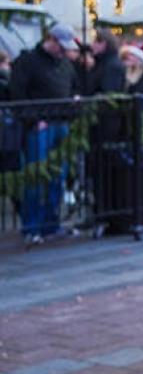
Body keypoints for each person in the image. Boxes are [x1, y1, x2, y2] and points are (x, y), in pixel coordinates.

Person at [9, 23, 81, 242]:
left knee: (57, 176)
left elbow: (74, 86)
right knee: (36, 177)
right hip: (40, 126)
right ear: (51, 40)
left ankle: (51, 223)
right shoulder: (28, 61)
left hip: (61, 123)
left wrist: (75, 100)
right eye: (61, 46)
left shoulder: (65, 64)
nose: (64, 51)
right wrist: (33, 119)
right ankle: (32, 226)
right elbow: (17, 94)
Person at [84, 29, 124, 95]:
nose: (92, 45)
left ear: (104, 43)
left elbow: (109, 93)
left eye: (95, 42)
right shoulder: (101, 62)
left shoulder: (112, 65)